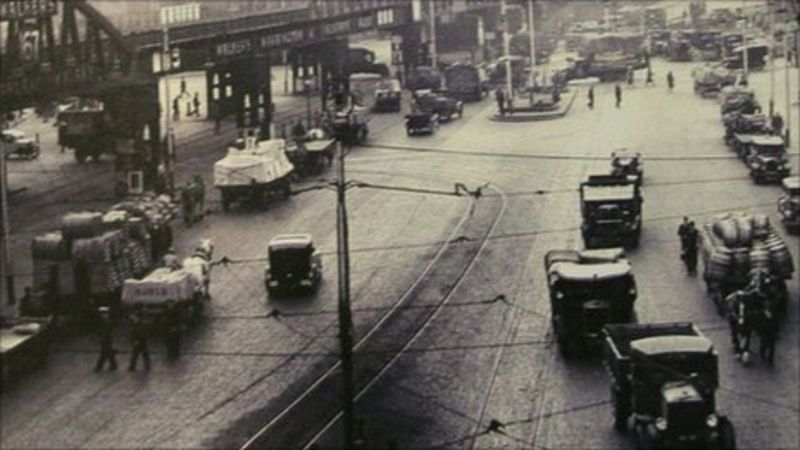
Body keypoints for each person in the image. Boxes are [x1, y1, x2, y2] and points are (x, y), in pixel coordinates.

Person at [94, 307, 117, 372]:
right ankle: (113, 365)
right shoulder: (104, 321)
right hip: (106, 339)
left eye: (104, 314)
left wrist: (102, 338)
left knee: (104, 353)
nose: (103, 315)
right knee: (108, 353)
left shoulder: (106, 321)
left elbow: (106, 331)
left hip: (106, 339)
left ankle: (99, 367)